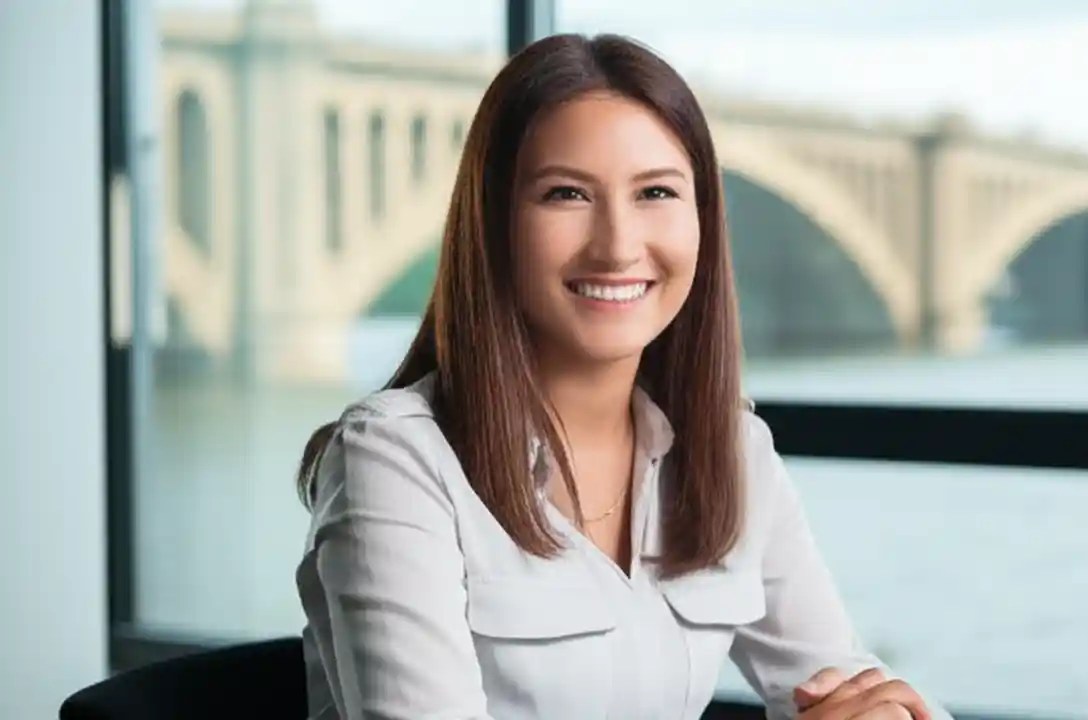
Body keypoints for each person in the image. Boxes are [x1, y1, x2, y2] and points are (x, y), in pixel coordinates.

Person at [293, 32, 951, 720]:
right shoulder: (395, 460)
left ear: (703, 222)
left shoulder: (733, 454)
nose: (617, 246)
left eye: (656, 192)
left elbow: (851, 686)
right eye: (566, 194)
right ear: (493, 224)